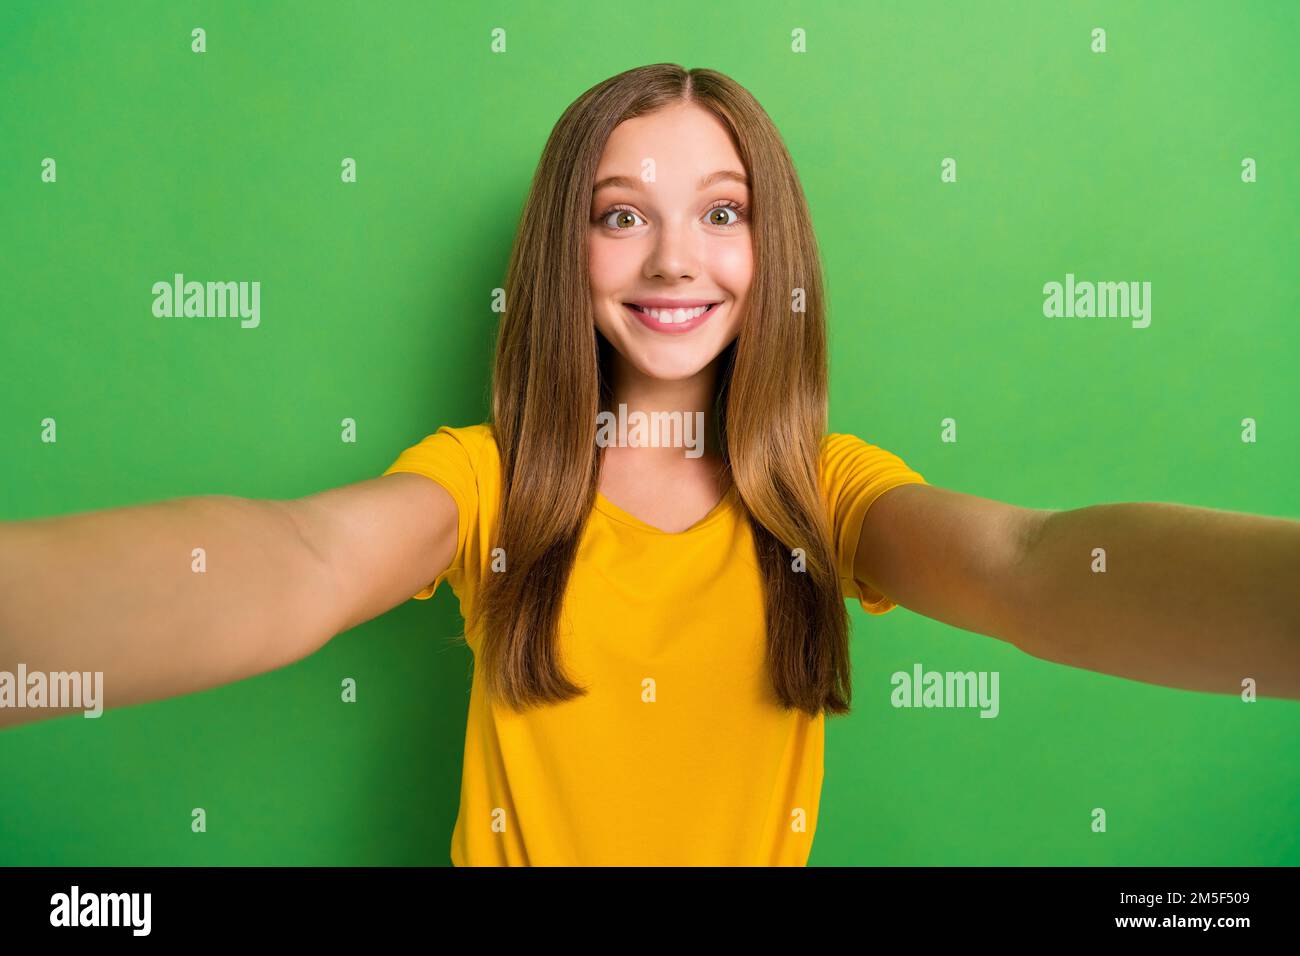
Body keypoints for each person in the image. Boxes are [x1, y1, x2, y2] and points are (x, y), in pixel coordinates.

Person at [2, 64, 1297, 867]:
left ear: (768, 248)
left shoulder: (826, 496)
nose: (676, 260)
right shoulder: (493, 485)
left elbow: (1032, 568)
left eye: (721, 213)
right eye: (621, 215)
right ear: (562, 257)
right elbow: (301, 560)